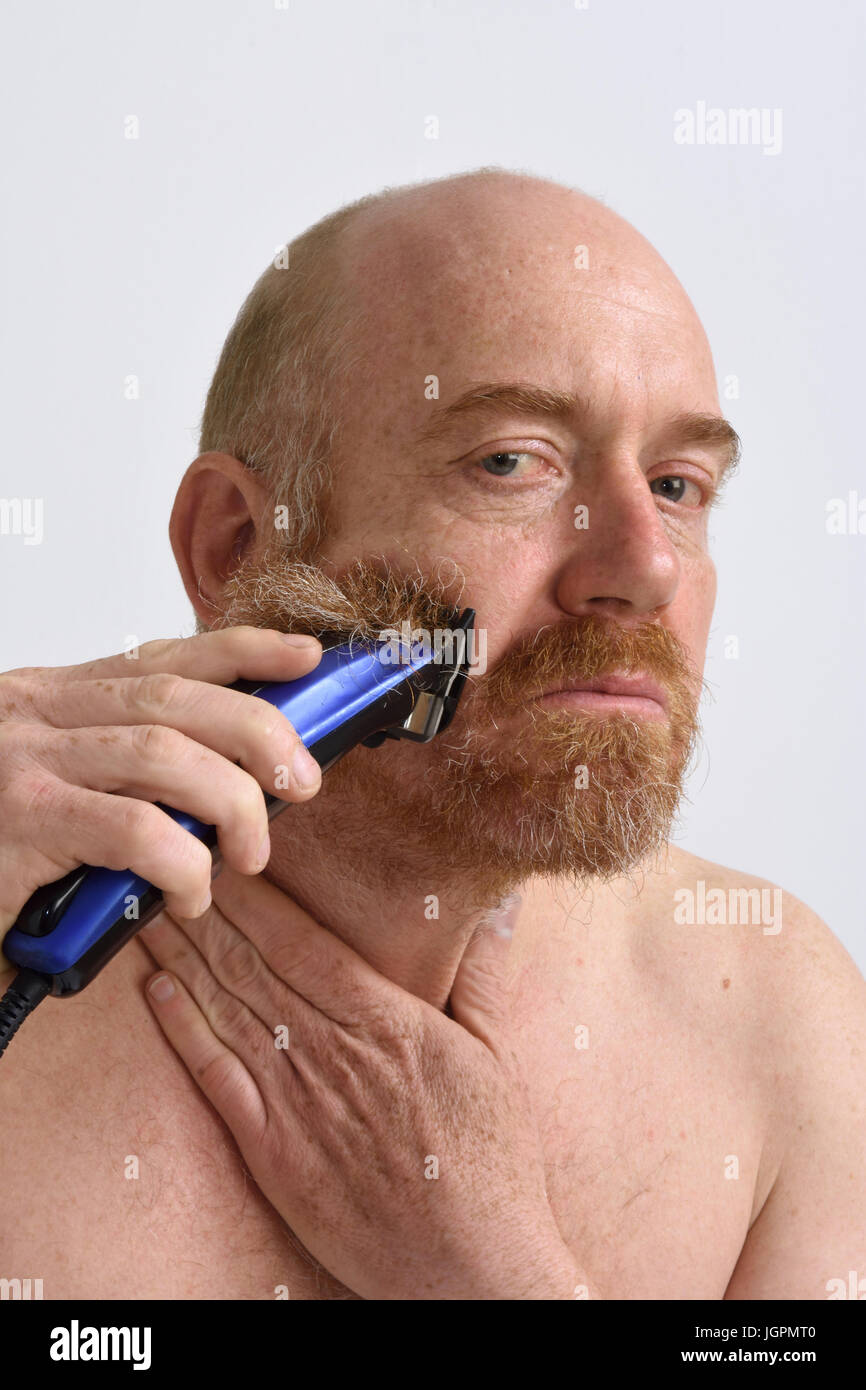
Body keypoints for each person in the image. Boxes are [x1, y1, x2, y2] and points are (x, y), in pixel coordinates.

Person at [1, 168, 864, 1300]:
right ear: (238, 549)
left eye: (675, 483)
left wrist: (484, 1273)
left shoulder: (773, 1007)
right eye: (510, 462)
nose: (643, 568)